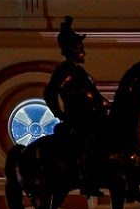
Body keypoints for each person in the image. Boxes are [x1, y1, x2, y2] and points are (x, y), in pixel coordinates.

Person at [44, 17, 111, 197]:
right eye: (81, 48)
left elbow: (94, 96)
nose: (84, 52)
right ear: (73, 49)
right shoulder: (65, 71)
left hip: (93, 117)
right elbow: (50, 93)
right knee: (88, 139)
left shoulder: (81, 73)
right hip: (78, 120)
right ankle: (85, 178)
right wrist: (60, 114)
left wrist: (107, 103)